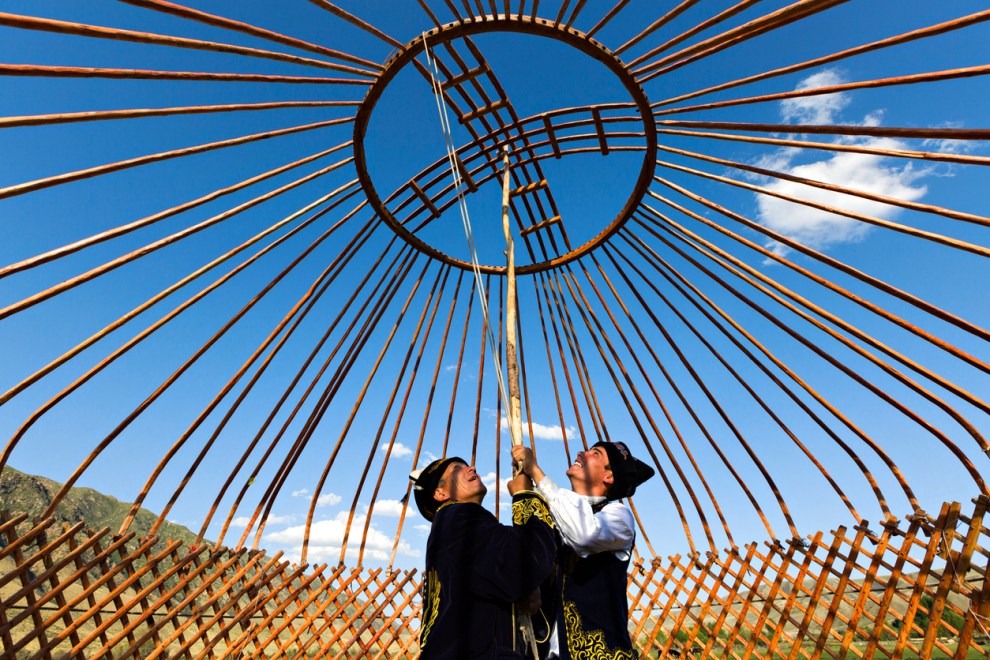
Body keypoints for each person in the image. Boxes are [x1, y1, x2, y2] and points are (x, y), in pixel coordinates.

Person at [511, 441, 655, 660]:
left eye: (595, 453)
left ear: (609, 477)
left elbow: (584, 535)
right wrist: (522, 494)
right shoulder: (558, 515)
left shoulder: (618, 517)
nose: (582, 453)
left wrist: (537, 473)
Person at [410, 455, 560, 659]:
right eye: (457, 468)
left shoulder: (451, 526)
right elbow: (524, 563)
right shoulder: (458, 518)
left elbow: (503, 573)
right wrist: (525, 494)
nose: (471, 468)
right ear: (440, 493)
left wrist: (528, 590)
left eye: (468, 465)